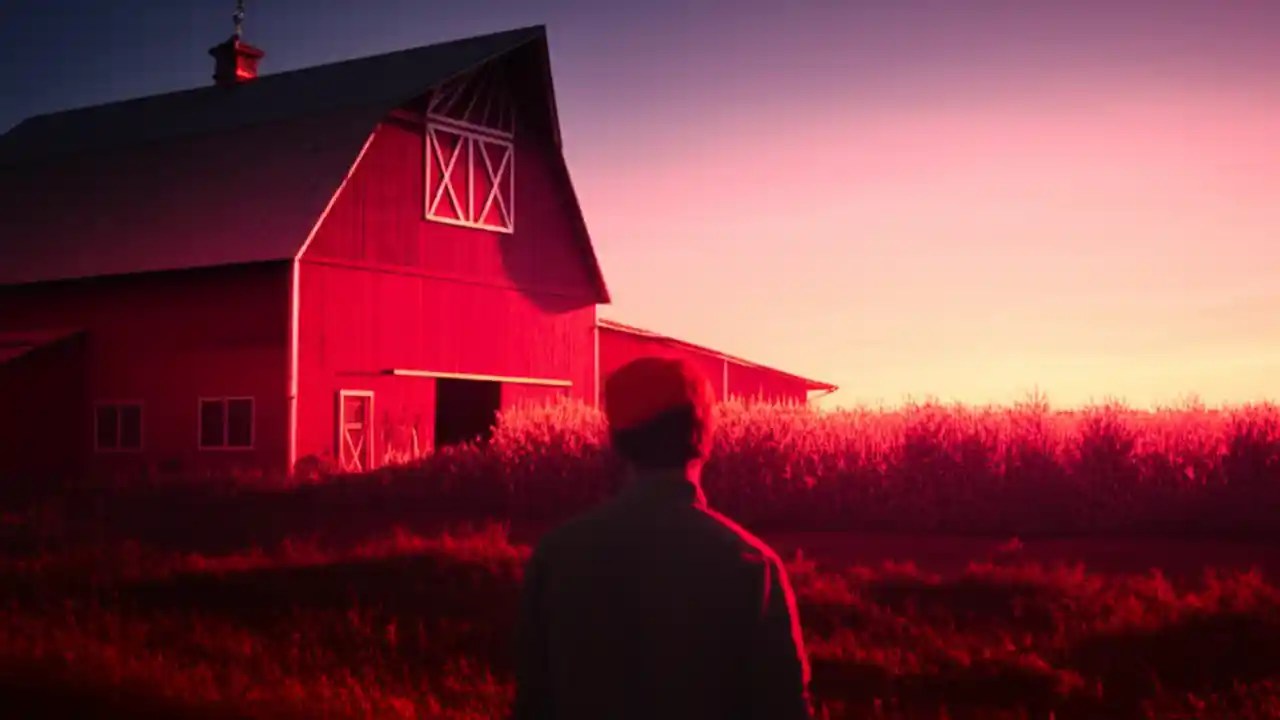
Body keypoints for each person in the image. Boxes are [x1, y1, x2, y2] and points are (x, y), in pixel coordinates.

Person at [511, 356, 813, 720]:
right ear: (706, 436)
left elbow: (533, 701)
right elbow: (785, 707)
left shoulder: (556, 556)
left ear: (616, 440)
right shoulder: (750, 566)